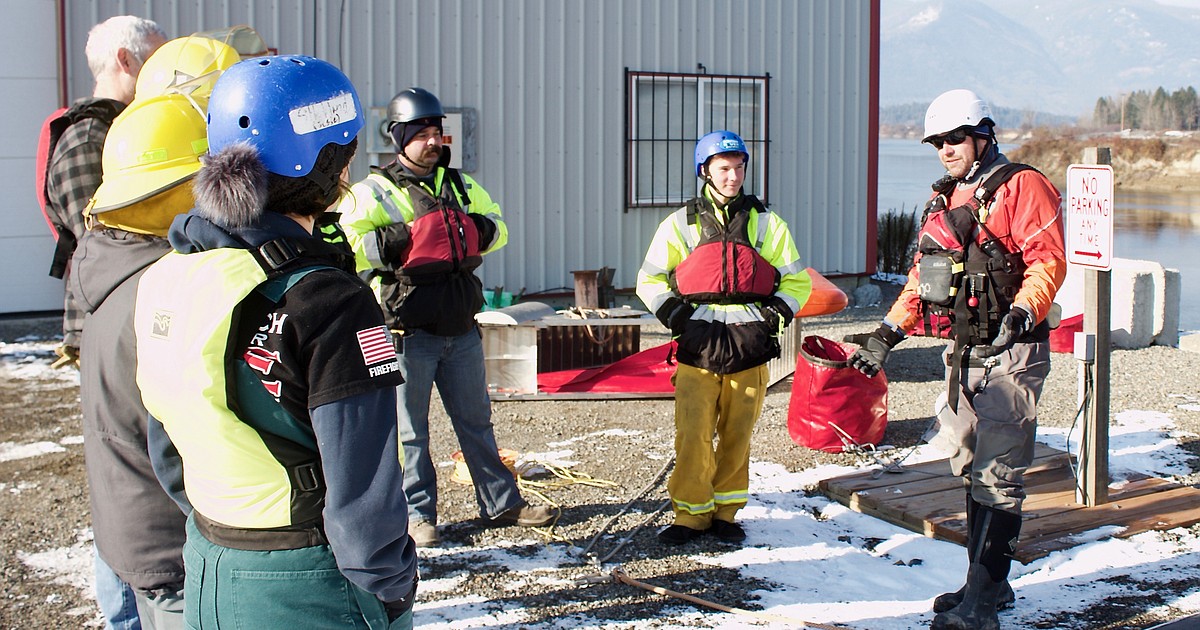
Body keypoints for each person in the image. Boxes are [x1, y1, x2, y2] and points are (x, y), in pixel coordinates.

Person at [132, 55, 418, 628]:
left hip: (211, 565)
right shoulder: (331, 301)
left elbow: (165, 440)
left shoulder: (168, 275)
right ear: (328, 163)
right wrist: (388, 589)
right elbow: (364, 480)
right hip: (309, 583)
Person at [844, 89, 1066, 630]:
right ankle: (983, 583)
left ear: (982, 135)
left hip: (1012, 351)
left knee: (998, 473)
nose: (945, 149)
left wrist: (1020, 314)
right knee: (968, 465)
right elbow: (924, 281)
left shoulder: (1021, 186)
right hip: (963, 353)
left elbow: (1048, 260)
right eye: (937, 142)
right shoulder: (946, 199)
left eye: (954, 138)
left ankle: (982, 609)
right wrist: (885, 336)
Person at [337, 87, 556, 548]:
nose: (434, 142)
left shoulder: (461, 186)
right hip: (400, 332)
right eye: (422, 134)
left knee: (476, 421)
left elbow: (499, 228)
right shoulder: (372, 190)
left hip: (461, 327)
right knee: (409, 432)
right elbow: (349, 246)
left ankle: (501, 504)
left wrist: (470, 229)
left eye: (438, 133)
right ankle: (418, 516)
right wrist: (408, 238)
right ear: (399, 137)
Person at [636, 130, 812, 546]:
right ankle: (690, 516)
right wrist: (676, 316)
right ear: (705, 172)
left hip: (749, 344)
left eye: (738, 168)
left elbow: (797, 283)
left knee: (738, 432)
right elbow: (649, 279)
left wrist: (773, 319)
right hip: (698, 344)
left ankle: (726, 514)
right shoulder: (681, 223)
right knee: (693, 431)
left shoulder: (767, 223)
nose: (732, 177)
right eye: (723, 169)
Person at [42, 15, 166, 371]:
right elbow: (97, 240)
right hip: (108, 315)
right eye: (156, 60)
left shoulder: (132, 130)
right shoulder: (87, 139)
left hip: (139, 309)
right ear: (125, 60)